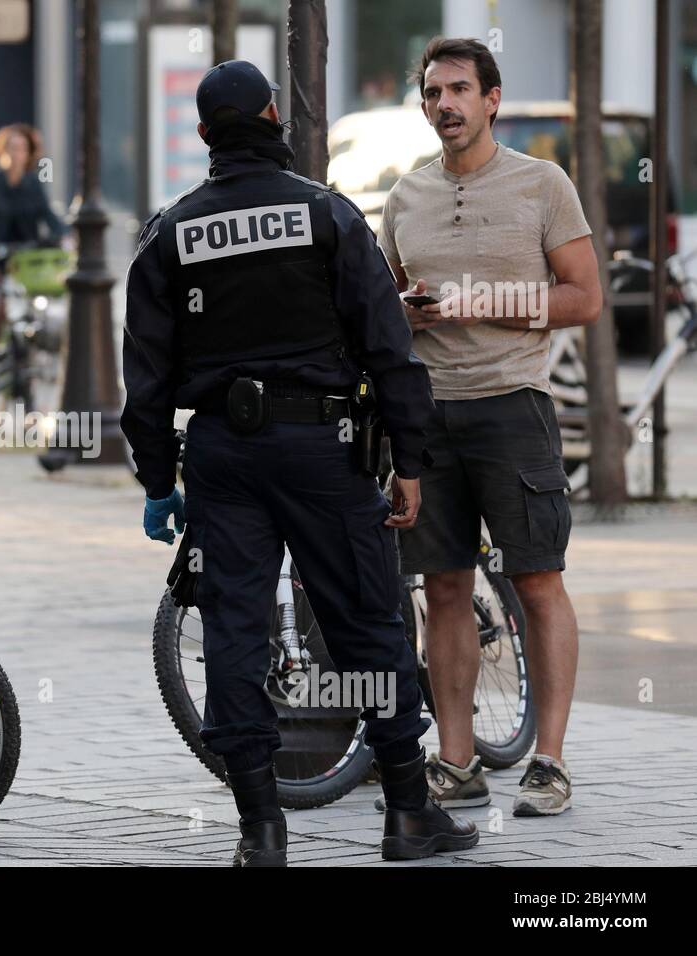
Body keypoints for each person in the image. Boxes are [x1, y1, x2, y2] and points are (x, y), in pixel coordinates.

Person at [121, 60, 478, 866]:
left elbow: (143, 375)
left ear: (207, 134)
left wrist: (156, 481)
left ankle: (260, 831)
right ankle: (410, 814)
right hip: (325, 449)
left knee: (237, 633)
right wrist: (410, 459)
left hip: (222, 457)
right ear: (276, 117)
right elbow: (389, 346)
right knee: (365, 623)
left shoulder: (172, 231)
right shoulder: (327, 215)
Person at [379, 38, 601, 816]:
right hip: (429, 413)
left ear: (492, 99)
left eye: (460, 90)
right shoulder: (405, 197)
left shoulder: (543, 184)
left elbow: (583, 298)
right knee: (443, 587)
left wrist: (481, 304)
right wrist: (402, 316)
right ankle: (457, 761)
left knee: (538, 581)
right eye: (434, 93)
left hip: (513, 405)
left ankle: (549, 761)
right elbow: (388, 311)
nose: (446, 104)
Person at [0, 123, 70, 357]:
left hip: (24, 256)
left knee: (37, 307)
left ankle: (25, 357)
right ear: (2, 151)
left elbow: (48, 215)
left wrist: (66, 235)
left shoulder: (32, 183)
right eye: (12, 148)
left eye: (22, 149)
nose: (17, 154)